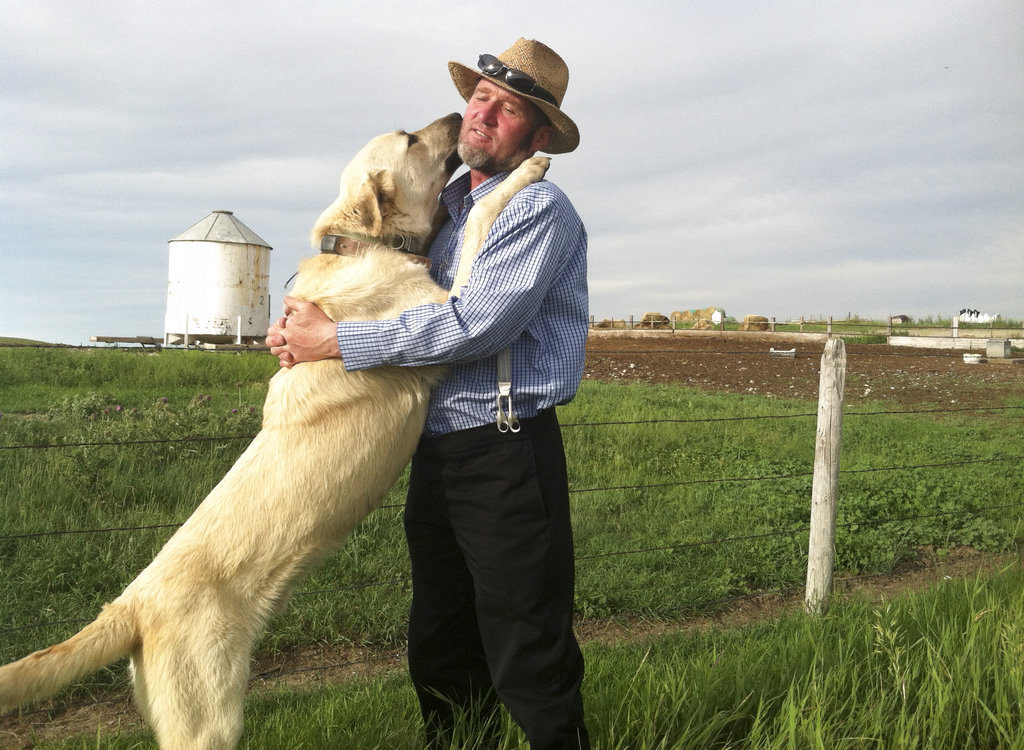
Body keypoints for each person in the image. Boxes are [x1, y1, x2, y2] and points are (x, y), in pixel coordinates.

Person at [267, 38, 590, 750]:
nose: (483, 115)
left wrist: (337, 341)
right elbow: (381, 282)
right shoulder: (447, 206)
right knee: (442, 642)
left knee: (527, 647)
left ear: (539, 138)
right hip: (437, 453)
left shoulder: (536, 209)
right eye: (482, 98)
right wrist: (299, 322)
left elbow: (473, 325)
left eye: (509, 111)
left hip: (505, 454)